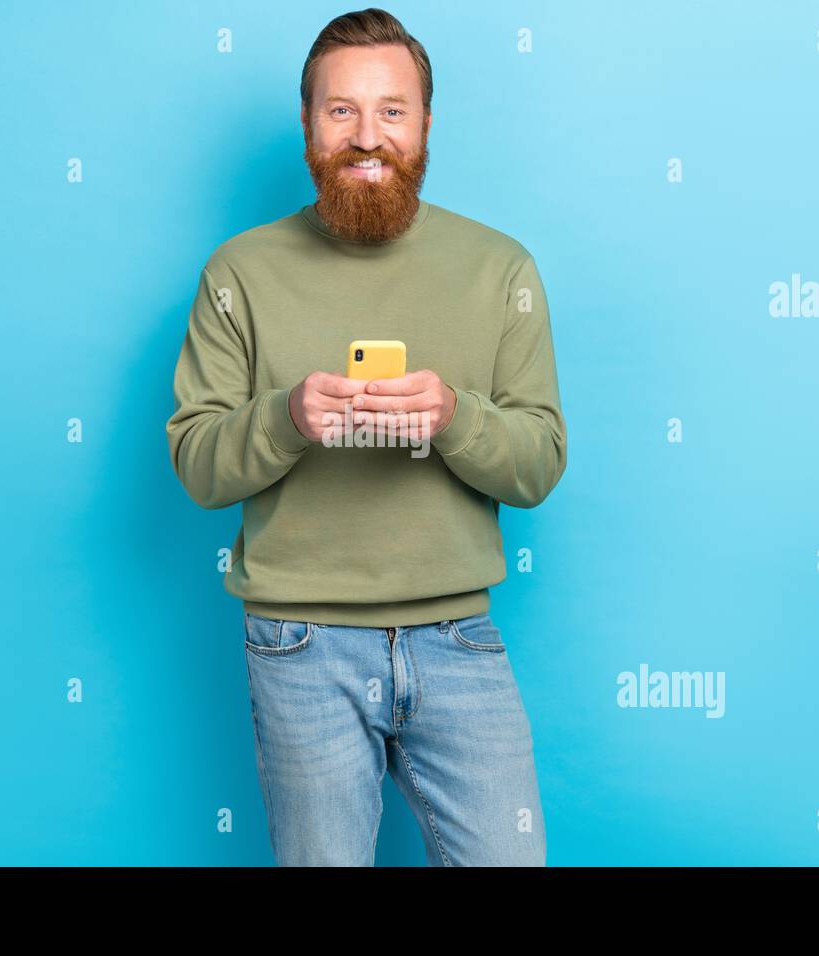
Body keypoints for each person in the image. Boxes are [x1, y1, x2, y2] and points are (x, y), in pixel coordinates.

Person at [166, 7, 567, 865]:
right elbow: (197, 465)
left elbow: (538, 466)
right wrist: (286, 417)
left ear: (426, 124)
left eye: (392, 109)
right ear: (307, 123)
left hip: (459, 635)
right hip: (297, 642)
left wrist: (455, 416)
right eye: (340, 109)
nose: (366, 135)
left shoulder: (501, 269)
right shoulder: (238, 272)